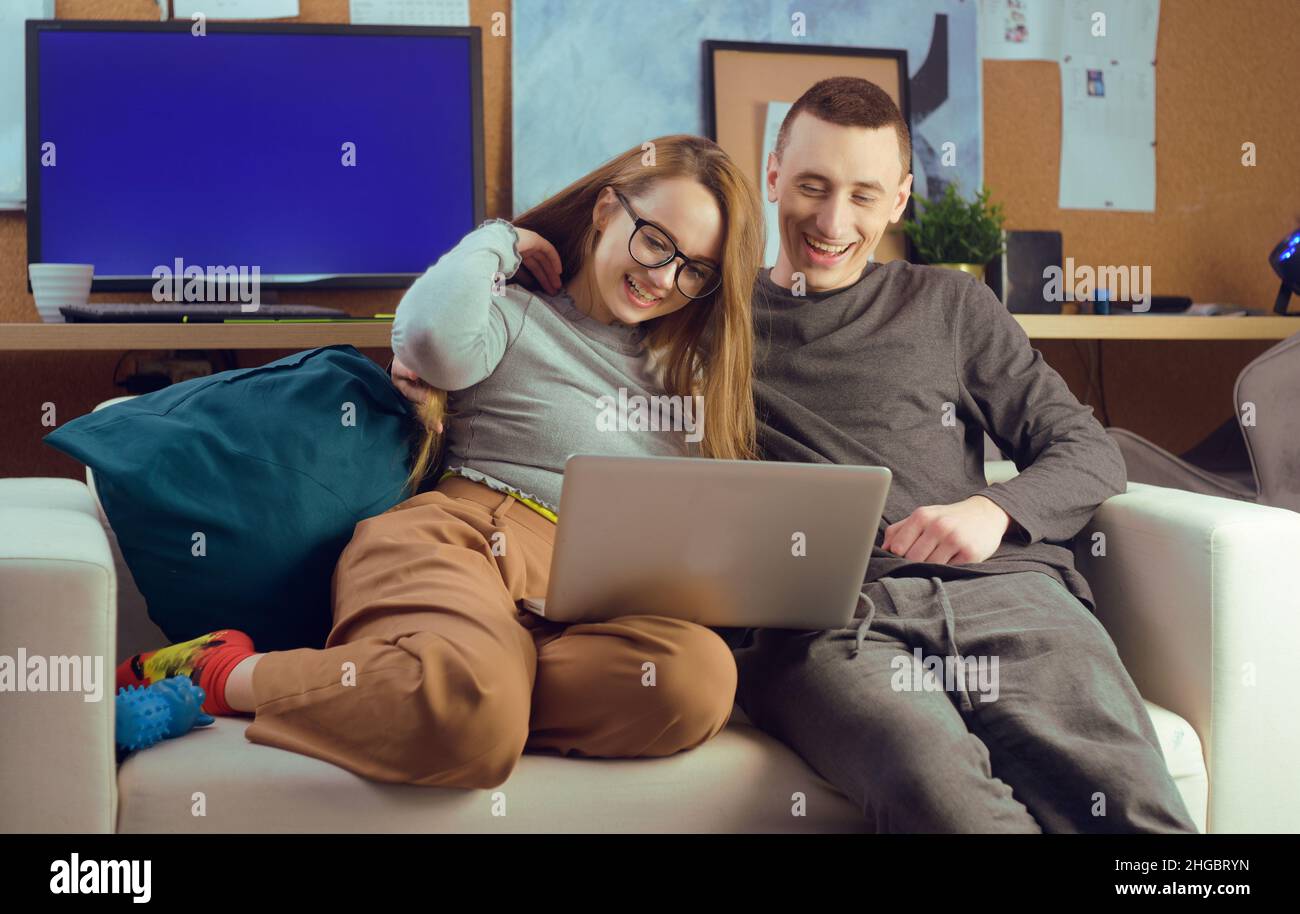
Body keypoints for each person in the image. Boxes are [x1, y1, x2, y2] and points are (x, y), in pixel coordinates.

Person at [114, 134, 764, 789]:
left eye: (694, 269)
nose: (663, 277)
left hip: (581, 606)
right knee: (477, 708)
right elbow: (428, 338)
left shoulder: (691, 379)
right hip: (462, 541)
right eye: (655, 240)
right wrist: (498, 240)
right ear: (604, 211)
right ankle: (222, 671)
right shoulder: (513, 311)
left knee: (695, 680)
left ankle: (461, 690)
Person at [730, 76, 1197, 832]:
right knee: (940, 794)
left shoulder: (950, 306)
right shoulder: (713, 321)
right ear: (774, 172)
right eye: (811, 185)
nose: (831, 219)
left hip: (1004, 592)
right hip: (833, 625)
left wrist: (996, 509)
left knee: (1133, 807)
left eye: (863, 194)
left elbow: (1085, 446)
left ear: (901, 199)